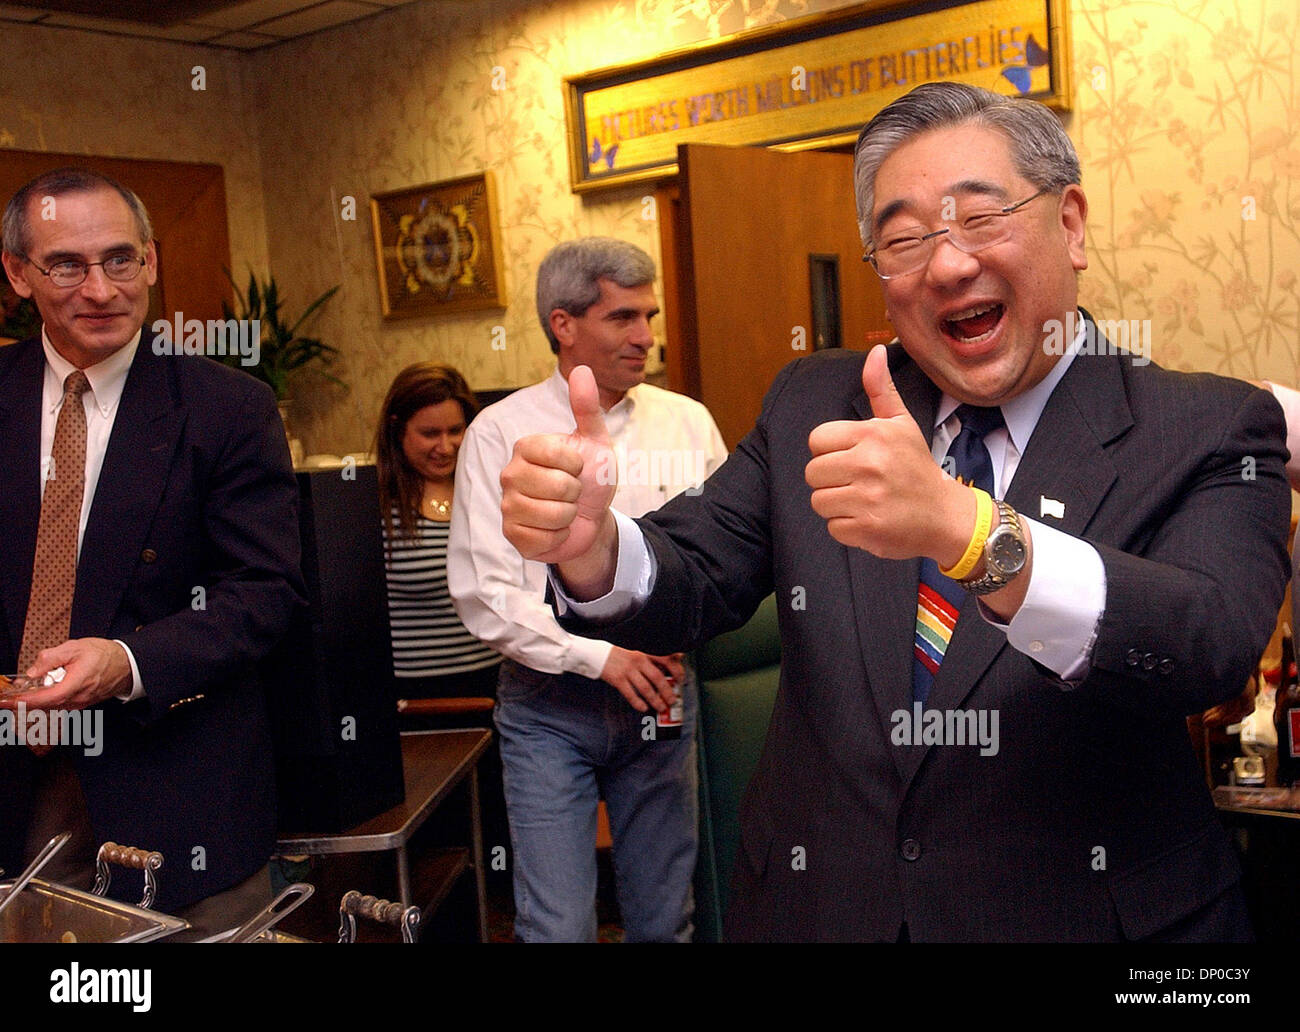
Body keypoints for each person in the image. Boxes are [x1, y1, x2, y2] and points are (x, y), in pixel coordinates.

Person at [498, 84, 1292, 942]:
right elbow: (691, 572)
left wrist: (974, 535)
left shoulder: (1209, 423)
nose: (948, 267)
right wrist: (592, 550)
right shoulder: (817, 401)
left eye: (983, 219)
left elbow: (1206, 645)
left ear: (1070, 223)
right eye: (905, 238)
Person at [0, 168, 303, 937]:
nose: (100, 289)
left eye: (121, 259)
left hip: (178, 796)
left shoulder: (226, 408)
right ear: (17, 272)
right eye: (67, 264)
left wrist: (126, 662)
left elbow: (263, 593)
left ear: (153, 261)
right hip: (17, 799)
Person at [447, 237, 728, 941]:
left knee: (666, 921)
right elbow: (486, 593)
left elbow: (726, 558)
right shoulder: (498, 434)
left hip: (663, 698)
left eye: (651, 318)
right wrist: (602, 658)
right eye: (624, 318)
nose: (646, 338)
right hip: (549, 708)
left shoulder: (687, 422)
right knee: (559, 928)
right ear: (563, 324)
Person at [374, 362, 500, 697]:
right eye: (430, 434)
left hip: (495, 681)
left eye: (456, 431)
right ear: (397, 429)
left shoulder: (488, 493)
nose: (445, 447)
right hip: (413, 693)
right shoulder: (375, 506)